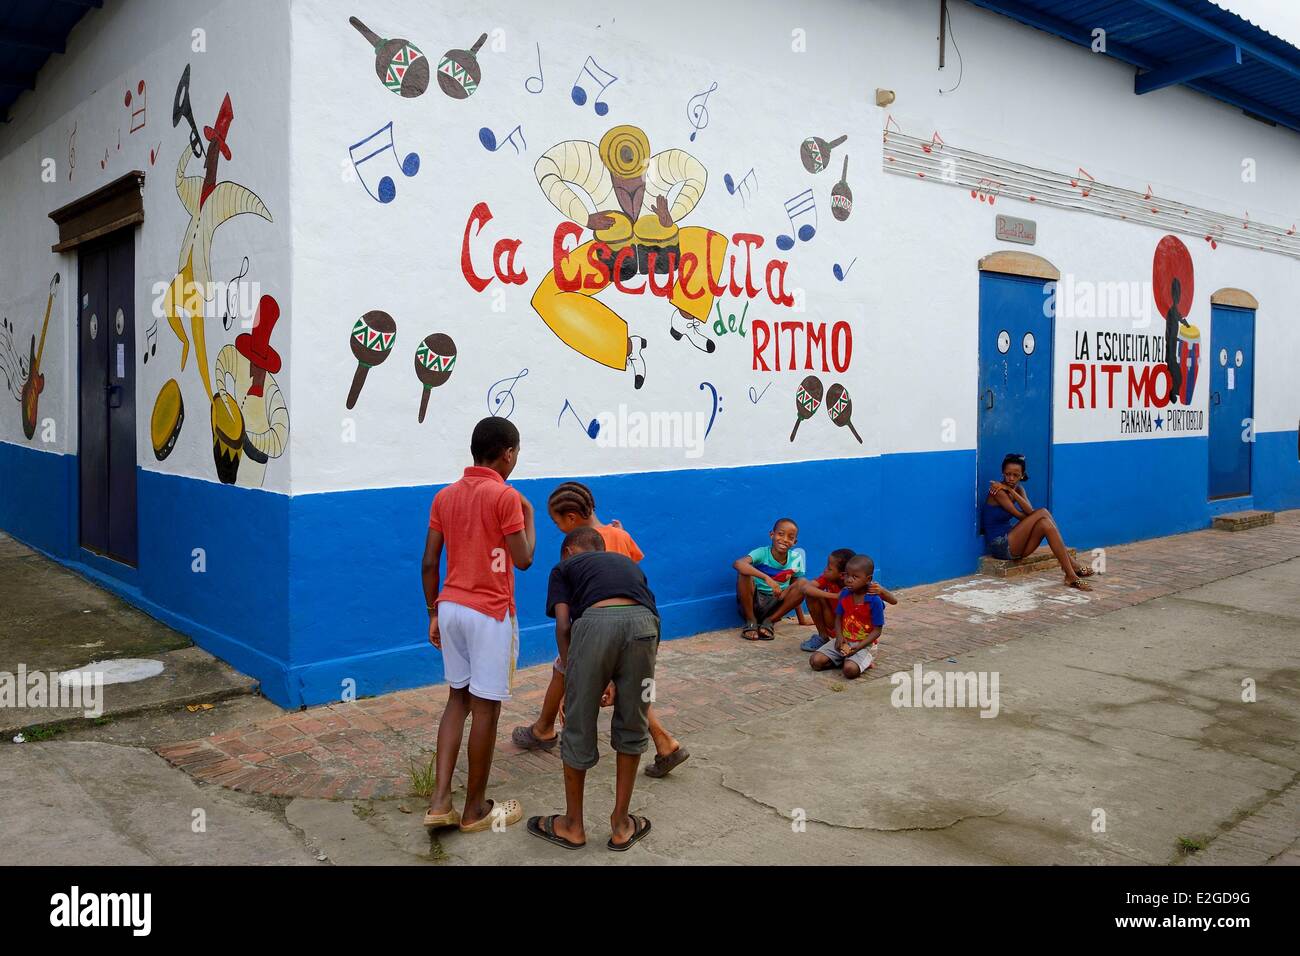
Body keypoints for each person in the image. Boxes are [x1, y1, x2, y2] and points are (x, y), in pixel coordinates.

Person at [511, 481, 689, 778]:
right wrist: (619, 532)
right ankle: (662, 742)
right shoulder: (618, 534)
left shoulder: (578, 546)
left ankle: (544, 730)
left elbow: (572, 598)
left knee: (565, 671)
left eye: (557, 523)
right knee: (634, 689)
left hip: (593, 630)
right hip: (637, 624)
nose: (558, 529)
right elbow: (630, 571)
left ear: (571, 519)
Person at [421, 417, 535, 832]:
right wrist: (530, 514)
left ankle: (439, 802)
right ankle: (475, 811)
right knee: (486, 708)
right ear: (507, 453)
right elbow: (523, 559)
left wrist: (432, 612)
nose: (515, 461)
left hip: (450, 607)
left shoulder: (445, 496)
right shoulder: (505, 497)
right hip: (490, 613)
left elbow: (430, 561)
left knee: (457, 700)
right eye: (516, 454)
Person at [527, 527, 659, 851]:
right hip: (647, 628)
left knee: (578, 723)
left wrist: (573, 680)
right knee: (634, 719)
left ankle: (572, 825)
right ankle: (622, 824)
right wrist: (614, 678)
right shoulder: (626, 564)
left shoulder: (564, 567)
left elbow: (563, 625)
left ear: (570, 551)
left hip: (595, 626)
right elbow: (631, 617)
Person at [984, 453, 1094, 591]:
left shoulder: (1018, 489)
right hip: (1000, 544)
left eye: (1015, 475)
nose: (1011, 478)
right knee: (1042, 513)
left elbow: (1030, 511)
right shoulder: (998, 492)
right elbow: (1021, 515)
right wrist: (1007, 490)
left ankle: (1070, 573)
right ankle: (1072, 571)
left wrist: (1012, 491)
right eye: (1007, 474)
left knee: (1045, 524)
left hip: (1016, 546)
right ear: (1002, 473)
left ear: (1022, 475)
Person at [809, 554, 895, 679]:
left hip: (865, 644)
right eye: (847, 575)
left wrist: (857, 647)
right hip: (844, 639)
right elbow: (838, 618)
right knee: (815, 662)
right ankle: (847, 659)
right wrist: (839, 637)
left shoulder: (874, 600)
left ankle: (862, 660)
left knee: (849, 671)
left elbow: (877, 631)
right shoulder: (845, 593)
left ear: (868, 579)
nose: (849, 580)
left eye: (855, 577)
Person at [733, 518, 806, 640]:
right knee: (744, 573)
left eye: (790, 537)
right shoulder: (762, 553)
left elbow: (795, 588)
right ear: (772, 535)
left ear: (795, 542)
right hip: (754, 602)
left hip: (776, 605)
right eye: (780, 534)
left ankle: (769, 622)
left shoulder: (796, 558)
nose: (784, 540)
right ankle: (751, 621)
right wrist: (767, 578)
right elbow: (738, 563)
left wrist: (801, 620)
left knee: (803, 583)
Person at [795, 548, 858, 652]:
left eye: (829, 569)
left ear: (842, 575)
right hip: (832, 624)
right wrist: (835, 596)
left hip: (849, 632)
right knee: (813, 593)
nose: (825, 570)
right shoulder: (828, 578)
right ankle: (823, 637)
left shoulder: (854, 588)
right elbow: (806, 588)